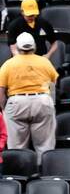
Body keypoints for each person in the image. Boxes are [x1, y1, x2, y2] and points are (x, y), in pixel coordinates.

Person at [0, 31, 57, 159]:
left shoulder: (8, 64)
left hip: (17, 102)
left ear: (18, 48)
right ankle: (44, 174)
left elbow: (1, 91)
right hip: (42, 100)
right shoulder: (44, 62)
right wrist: (50, 103)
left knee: (16, 147)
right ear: (34, 47)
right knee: (45, 146)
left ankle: (19, 176)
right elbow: (53, 84)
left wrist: (4, 109)